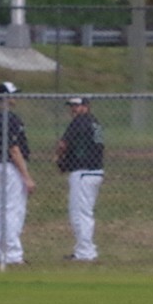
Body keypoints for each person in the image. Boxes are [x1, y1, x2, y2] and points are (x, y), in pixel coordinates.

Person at [0, 82, 33, 266]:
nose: (15, 97)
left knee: (1, 210)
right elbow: (14, 149)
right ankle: (12, 254)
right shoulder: (8, 118)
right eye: (12, 94)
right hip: (11, 166)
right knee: (13, 210)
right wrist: (27, 177)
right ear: (4, 97)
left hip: (2, 165)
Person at [55, 95, 103, 261]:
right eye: (72, 106)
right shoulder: (94, 121)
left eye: (77, 105)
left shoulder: (79, 121)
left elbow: (63, 144)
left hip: (83, 172)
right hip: (95, 171)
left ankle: (85, 252)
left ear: (86, 106)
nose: (73, 109)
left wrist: (60, 159)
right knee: (84, 212)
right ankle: (85, 250)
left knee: (79, 214)